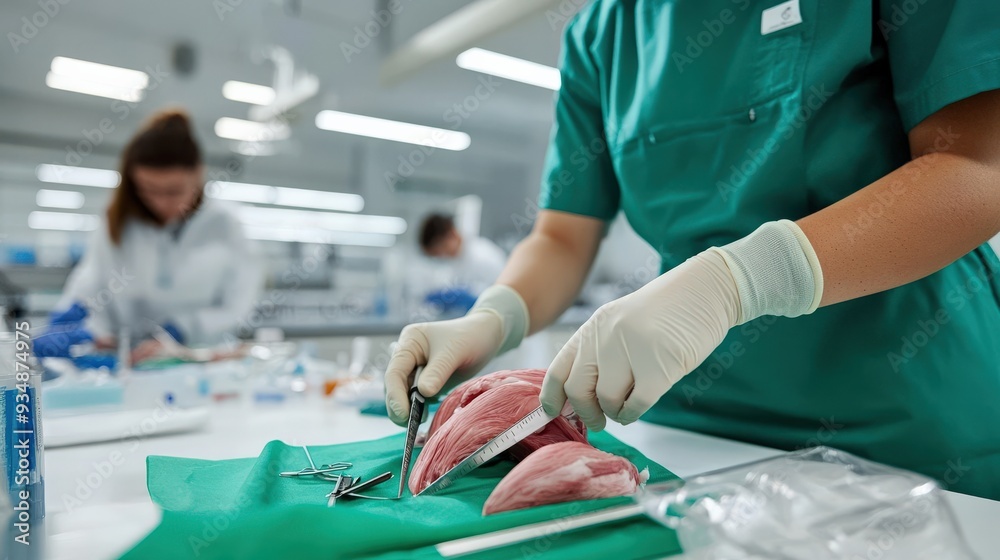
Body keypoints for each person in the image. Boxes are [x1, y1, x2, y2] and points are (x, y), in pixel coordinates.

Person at [385, 1, 1000, 500]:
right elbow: (562, 236)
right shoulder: (604, 32)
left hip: (908, 420)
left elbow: (978, 167)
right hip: (695, 431)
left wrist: (742, 279)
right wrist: (494, 317)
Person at [34, 109, 262, 365]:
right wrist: (74, 323)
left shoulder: (225, 225)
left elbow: (240, 305)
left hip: (201, 364)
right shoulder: (118, 223)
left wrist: (181, 330)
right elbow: (91, 286)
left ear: (198, 174)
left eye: (174, 191)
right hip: (129, 364)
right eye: (148, 190)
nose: (160, 202)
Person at [415, 213, 506, 313]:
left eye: (440, 250)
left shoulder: (484, 256)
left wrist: (473, 296)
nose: (442, 256)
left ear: (451, 234)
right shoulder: (456, 261)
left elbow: (501, 294)